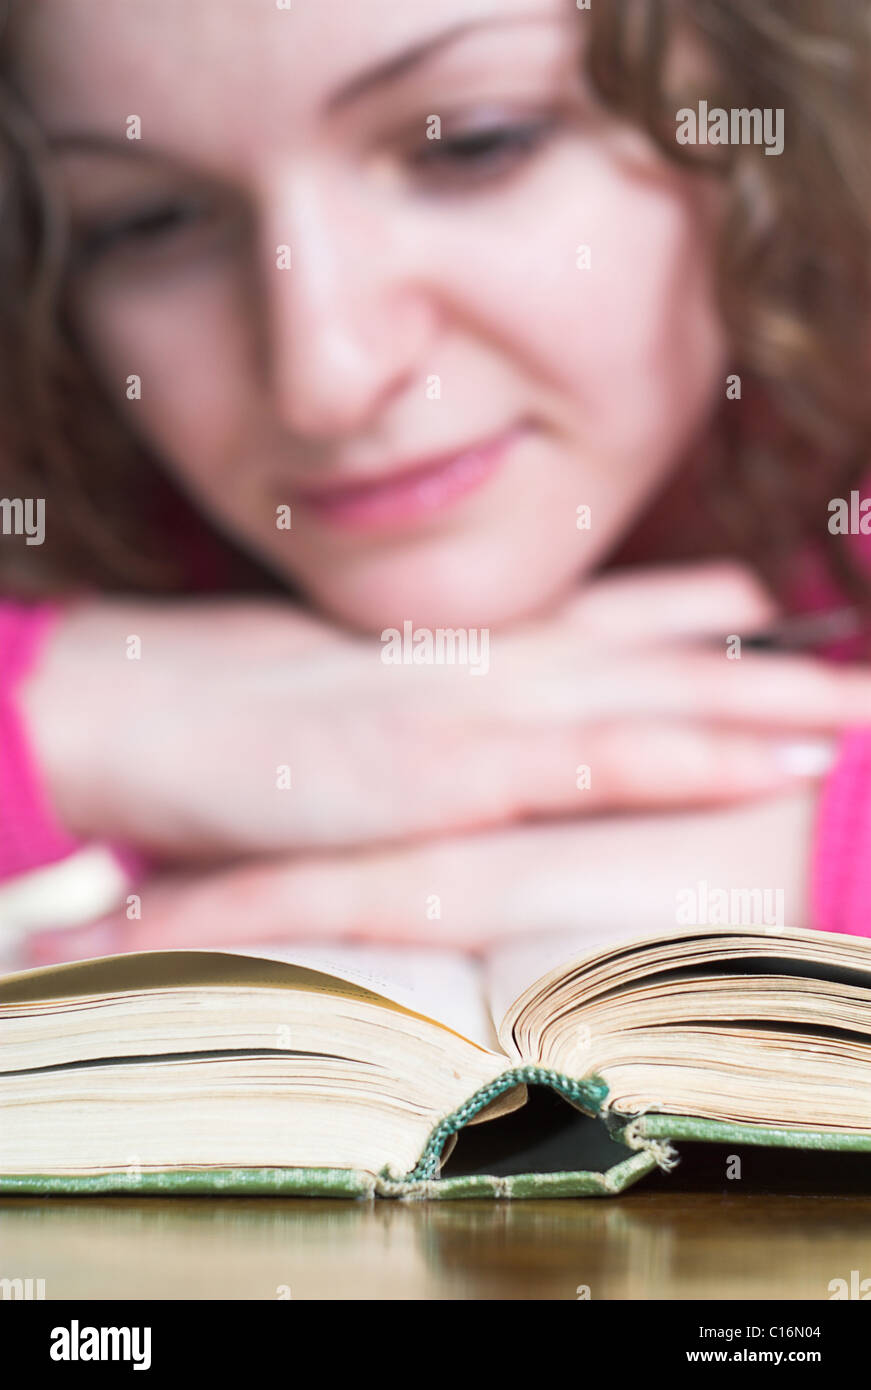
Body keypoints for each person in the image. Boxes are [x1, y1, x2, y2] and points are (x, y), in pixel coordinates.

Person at [1, 0, 869, 963]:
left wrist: (837, 868)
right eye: (148, 221)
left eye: (471, 146)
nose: (323, 379)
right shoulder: (82, 480)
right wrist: (60, 712)